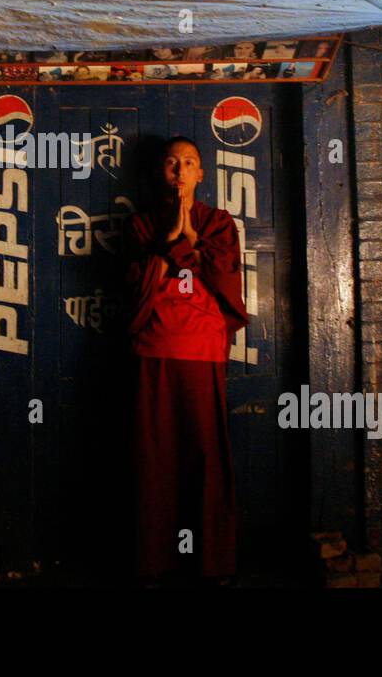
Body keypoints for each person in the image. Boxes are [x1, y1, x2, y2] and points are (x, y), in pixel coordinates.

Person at [122, 137, 247, 583]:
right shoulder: (140, 224)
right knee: (154, 453)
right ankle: (155, 561)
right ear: (162, 172)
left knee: (204, 452)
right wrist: (169, 244)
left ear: (200, 174)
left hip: (201, 348)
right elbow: (135, 284)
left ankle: (209, 562)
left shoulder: (218, 223)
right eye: (172, 163)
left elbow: (224, 274)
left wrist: (190, 241)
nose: (180, 171)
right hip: (155, 346)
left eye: (189, 163)